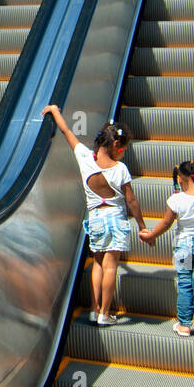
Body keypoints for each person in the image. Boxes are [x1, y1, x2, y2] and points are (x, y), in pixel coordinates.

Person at [42, 105, 145, 325]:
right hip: (115, 218)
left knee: (97, 263)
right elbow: (131, 200)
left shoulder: (85, 158)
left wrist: (54, 110)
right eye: (124, 148)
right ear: (116, 145)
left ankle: (95, 308)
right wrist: (142, 225)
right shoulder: (120, 169)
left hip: (96, 218)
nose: (124, 152)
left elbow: (67, 132)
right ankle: (105, 313)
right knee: (111, 266)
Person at [138, 160, 194, 337]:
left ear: (180, 179)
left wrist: (151, 236)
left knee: (185, 284)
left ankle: (184, 325)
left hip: (183, 245)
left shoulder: (176, 199)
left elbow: (166, 223)